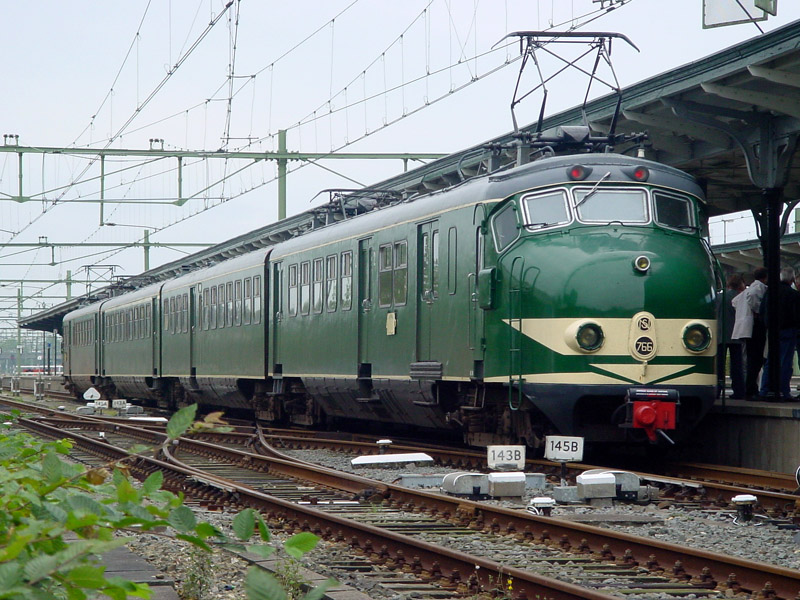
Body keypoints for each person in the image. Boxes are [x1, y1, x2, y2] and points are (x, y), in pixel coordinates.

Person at [759, 266, 800, 401]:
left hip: (772, 331)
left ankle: (765, 390)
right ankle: (784, 391)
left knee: (770, 361)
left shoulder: (769, 292)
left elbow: (762, 310)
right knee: (785, 363)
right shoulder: (793, 294)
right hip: (788, 331)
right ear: (792, 279)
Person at [743, 267, 767, 400]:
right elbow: (752, 297)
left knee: (754, 359)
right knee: (756, 359)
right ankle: (751, 389)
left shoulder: (753, 286)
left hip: (752, 327)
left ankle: (751, 388)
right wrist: (759, 310)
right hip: (757, 326)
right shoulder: (759, 287)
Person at [721, 273, 746, 399]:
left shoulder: (719, 297)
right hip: (736, 334)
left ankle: (718, 389)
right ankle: (739, 391)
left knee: (720, 365)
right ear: (739, 284)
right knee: (737, 365)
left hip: (720, 334)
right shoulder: (740, 297)